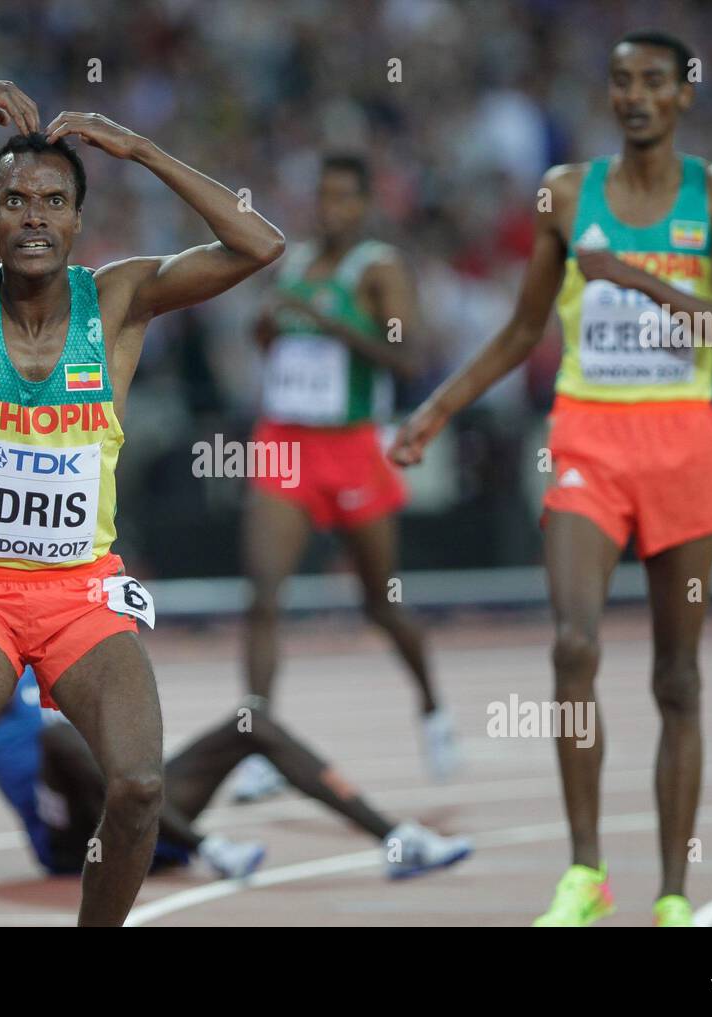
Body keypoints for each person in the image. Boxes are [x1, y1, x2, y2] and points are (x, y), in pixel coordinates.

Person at [0, 75, 285, 926]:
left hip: (79, 593)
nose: (34, 215)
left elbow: (259, 245)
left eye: (54, 201)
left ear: (77, 221)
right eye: (16, 200)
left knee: (138, 787)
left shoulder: (121, 299)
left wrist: (140, 149)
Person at [390, 31, 712, 927]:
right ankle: (586, 873)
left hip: (683, 441)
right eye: (621, 81)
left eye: (654, 82)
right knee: (573, 646)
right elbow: (520, 332)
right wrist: (436, 411)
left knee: (678, 677)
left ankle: (672, 892)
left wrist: (626, 274)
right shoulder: (564, 194)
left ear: (683, 96)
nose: (635, 96)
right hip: (587, 436)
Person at [233, 154, 458, 803]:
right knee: (264, 592)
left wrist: (335, 325)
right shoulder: (294, 261)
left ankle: (433, 708)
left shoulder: (380, 268)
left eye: (344, 199)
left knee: (380, 602)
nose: (331, 209)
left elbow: (410, 356)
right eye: (323, 196)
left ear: (365, 205)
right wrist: (266, 327)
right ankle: (257, 740)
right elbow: (271, 343)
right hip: (284, 440)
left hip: (353, 446)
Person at [0, 674, 473, 886]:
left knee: (249, 723)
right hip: (70, 844)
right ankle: (208, 847)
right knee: (59, 741)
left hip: (134, 812)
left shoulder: (48, 651)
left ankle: (399, 839)